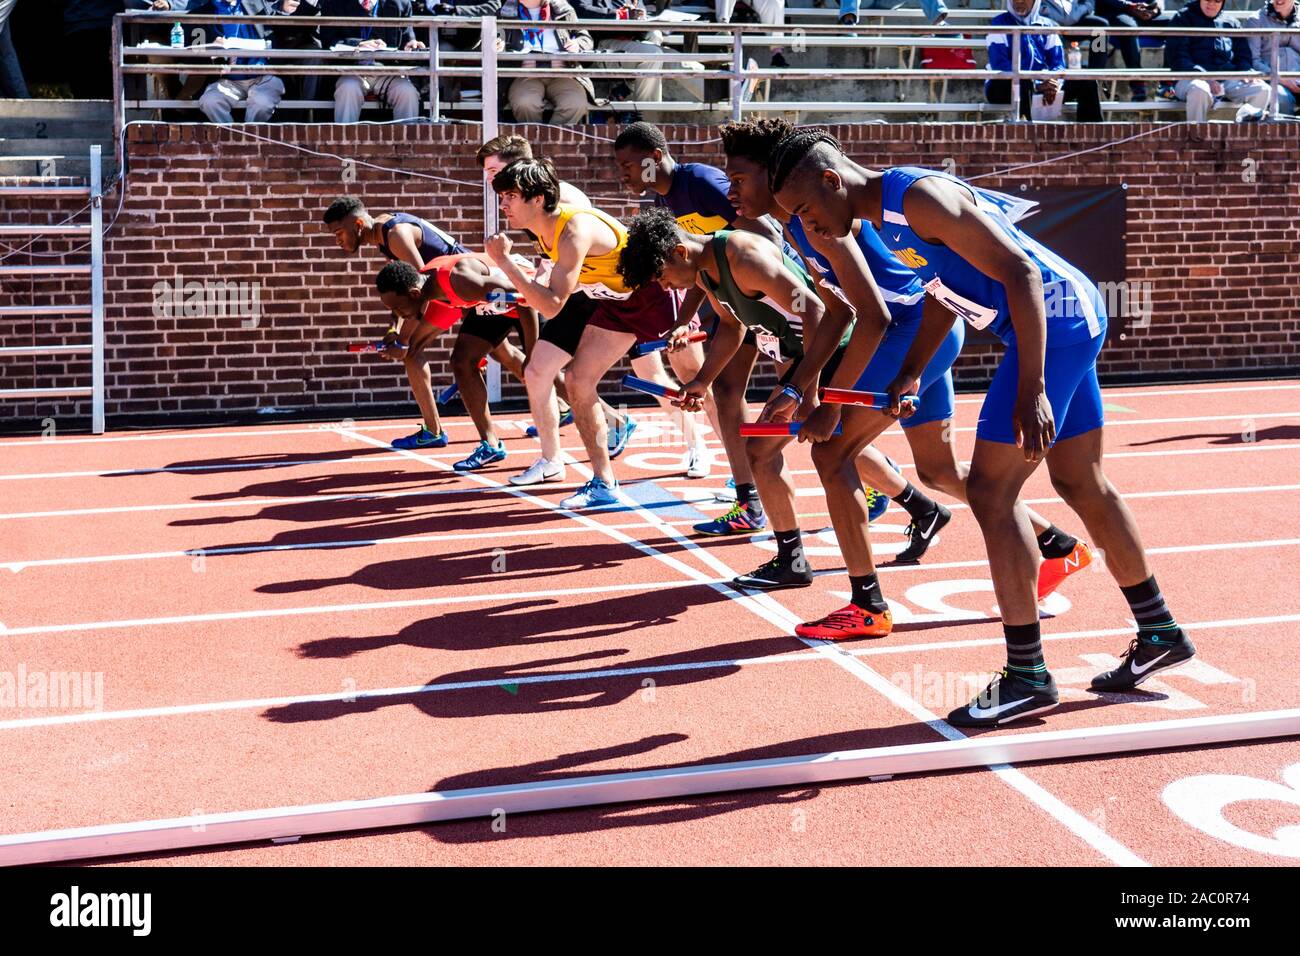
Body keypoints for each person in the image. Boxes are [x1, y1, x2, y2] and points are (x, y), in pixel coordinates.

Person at [768, 132, 1195, 725]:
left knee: (996, 494)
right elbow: (943, 291)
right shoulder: (886, 221)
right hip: (1065, 320)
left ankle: (1026, 674)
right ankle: (1160, 631)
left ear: (832, 181)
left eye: (807, 211)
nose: (808, 224)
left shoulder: (916, 199)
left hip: (1054, 324)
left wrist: (1034, 388)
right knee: (1079, 480)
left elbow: (1019, 271)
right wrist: (912, 370)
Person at [725, 120, 1091, 637]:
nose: (732, 191)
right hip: (925, 328)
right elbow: (836, 311)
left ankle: (867, 605)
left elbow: (869, 316)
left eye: (739, 178)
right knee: (939, 471)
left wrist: (828, 398)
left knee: (831, 453)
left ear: (779, 176)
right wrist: (796, 387)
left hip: (910, 333)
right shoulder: (801, 223)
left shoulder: (816, 222)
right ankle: (1058, 545)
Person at [620, 207, 860, 593]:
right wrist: (701, 381)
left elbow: (818, 311)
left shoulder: (744, 258)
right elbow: (731, 327)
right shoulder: (704, 270)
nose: (665, 287)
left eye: (662, 278)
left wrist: (806, 390)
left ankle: (798, 562)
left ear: (679, 252)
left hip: (831, 354)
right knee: (812, 449)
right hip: (795, 358)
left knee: (790, 453)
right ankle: (917, 505)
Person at [487, 159, 716, 509]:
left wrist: (504, 264)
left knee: (694, 379)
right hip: (612, 303)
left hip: (654, 291)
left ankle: (742, 476)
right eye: (501, 196)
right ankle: (603, 483)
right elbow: (550, 294)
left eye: (510, 196)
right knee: (577, 380)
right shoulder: (539, 232)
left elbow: (550, 306)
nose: (503, 205)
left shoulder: (575, 229)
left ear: (537, 199)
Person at [612, 121, 794, 507]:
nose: (623, 174)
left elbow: (769, 236)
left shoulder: (699, 182)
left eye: (628, 164)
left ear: (654, 158)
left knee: (804, 398)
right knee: (727, 392)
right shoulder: (662, 206)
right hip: (733, 304)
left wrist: (750, 290)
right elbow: (698, 267)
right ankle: (749, 497)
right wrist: (682, 320)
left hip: (775, 298)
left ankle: (875, 479)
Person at [475, 135, 644, 483]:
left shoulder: (562, 204)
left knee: (664, 373)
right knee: (538, 371)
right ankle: (555, 460)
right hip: (587, 290)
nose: (492, 182)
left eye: (495, 171)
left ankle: (705, 453)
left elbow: (557, 290)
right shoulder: (526, 210)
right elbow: (548, 262)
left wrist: (510, 268)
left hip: (623, 291)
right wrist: (527, 284)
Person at [323, 196, 467, 450]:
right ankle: (561, 404)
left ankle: (433, 432)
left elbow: (419, 293)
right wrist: (394, 329)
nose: (337, 240)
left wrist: (402, 341)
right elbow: (402, 291)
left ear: (358, 224)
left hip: (460, 285)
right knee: (504, 352)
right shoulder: (384, 235)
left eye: (339, 232)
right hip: (449, 288)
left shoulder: (396, 235)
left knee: (411, 354)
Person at [374, 257, 539, 470]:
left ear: (414, 294)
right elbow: (467, 306)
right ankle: (491, 446)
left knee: (543, 372)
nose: (398, 315)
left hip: (532, 300)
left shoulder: (458, 281)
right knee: (462, 362)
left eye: (398, 308)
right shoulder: (429, 289)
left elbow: (523, 297)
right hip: (496, 308)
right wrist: (479, 353)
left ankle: (585, 423)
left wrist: (532, 354)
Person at [986, 0, 1102, 122]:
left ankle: (1095, 136)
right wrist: (1037, 85)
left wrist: (1053, 82)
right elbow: (1000, 65)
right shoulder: (998, 24)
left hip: (1044, 85)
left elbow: (1057, 64)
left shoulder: (1047, 25)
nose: (1019, 1)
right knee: (1023, 81)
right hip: (1007, 86)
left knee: (1087, 79)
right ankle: (1026, 134)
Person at [319, 0, 425, 124]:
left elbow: (407, 40)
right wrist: (357, 44)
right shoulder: (333, 3)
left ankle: (407, 142)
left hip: (387, 71)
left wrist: (412, 45)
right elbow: (328, 40)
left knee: (407, 91)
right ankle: (344, 142)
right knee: (348, 88)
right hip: (352, 70)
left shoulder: (400, 3)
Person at [1166, 0, 1272, 121]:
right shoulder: (1182, 18)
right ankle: (1197, 137)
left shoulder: (1230, 22)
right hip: (1190, 78)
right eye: (1208, 0)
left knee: (1262, 89)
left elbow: (1243, 54)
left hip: (1226, 79)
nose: (1212, 4)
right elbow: (1178, 58)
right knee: (1199, 89)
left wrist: (1245, 70)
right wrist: (1205, 77)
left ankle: (1244, 135)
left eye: (1217, 1)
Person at [188, 0, 287, 123]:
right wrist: (212, 53)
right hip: (227, 81)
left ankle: (249, 138)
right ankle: (233, 137)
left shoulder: (261, 5)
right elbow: (196, 55)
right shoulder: (198, 15)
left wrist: (234, 43)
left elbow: (279, 39)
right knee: (210, 101)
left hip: (264, 77)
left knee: (262, 102)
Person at [497, 0, 595, 124]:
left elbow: (586, 39)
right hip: (525, 74)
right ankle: (533, 141)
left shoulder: (563, 9)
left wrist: (577, 45)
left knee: (575, 103)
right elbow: (488, 42)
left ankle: (553, 140)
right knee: (525, 103)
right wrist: (498, 46)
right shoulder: (504, 13)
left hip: (562, 73)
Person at [1246, 0, 1300, 115]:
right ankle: (1285, 132)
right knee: (1281, 97)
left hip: (1298, 77)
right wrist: (1282, 79)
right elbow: (1254, 62)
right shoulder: (1256, 20)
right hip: (1273, 80)